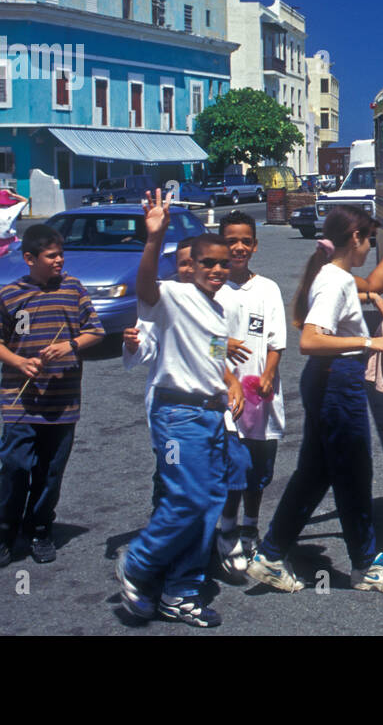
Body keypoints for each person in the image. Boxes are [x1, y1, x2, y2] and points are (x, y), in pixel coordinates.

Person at [248, 206, 383, 594]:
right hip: (336, 382)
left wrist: (371, 292)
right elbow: (310, 340)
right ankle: (367, 565)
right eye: (369, 237)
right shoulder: (333, 282)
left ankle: (271, 555)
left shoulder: (332, 273)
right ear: (354, 238)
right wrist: (369, 340)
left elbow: (346, 284)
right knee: (355, 473)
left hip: (329, 382)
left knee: (315, 474)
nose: (371, 245)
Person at [115, 190, 245, 628]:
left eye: (222, 263)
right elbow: (146, 286)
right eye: (207, 263)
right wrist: (154, 238)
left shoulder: (218, 308)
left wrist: (228, 380)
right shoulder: (171, 293)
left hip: (209, 415)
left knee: (208, 502)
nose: (215, 270)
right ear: (188, 264)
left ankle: (181, 592)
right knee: (185, 498)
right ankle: (138, 563)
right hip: (178, 415)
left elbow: (209, 355)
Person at [0, 223, 105, 568]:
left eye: (61, 254)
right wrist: (19, 361)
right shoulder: (11, 295)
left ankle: (39, 528)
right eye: (52, 256)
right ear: (29, 258)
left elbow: (96, 331)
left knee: (50, 471)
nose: (59, 261)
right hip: (20, 401)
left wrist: (70, 345)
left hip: (62, 402)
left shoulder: (73, 289)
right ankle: (5, 530)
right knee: (16, 466)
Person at [212, 210, 287, 579]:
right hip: (227, 397)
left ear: (255, 245)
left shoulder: (269, 288)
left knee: (260, 471)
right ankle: (226, 530)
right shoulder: (212, 288)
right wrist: (229, 377)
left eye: (245, 240)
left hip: (263, 398)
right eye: (230, 240)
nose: (238, 247)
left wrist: (270, 374)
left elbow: (276, 341)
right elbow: (205, 344)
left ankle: (251, 527)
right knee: (235, 468)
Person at [122, 244, 197, 513]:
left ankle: (199, 542)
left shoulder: (219, 300)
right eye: (183, 263)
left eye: (195, 262)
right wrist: (133, 344)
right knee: (169, 474)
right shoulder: (165, 296)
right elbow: (146, 347)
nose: (189, 269)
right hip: (171, 417)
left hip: (207, 415)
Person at [0, 189, 30, 263]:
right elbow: (25, 200)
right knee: (12, 266)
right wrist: (12, 195)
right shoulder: (13, 210)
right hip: (11, 242)